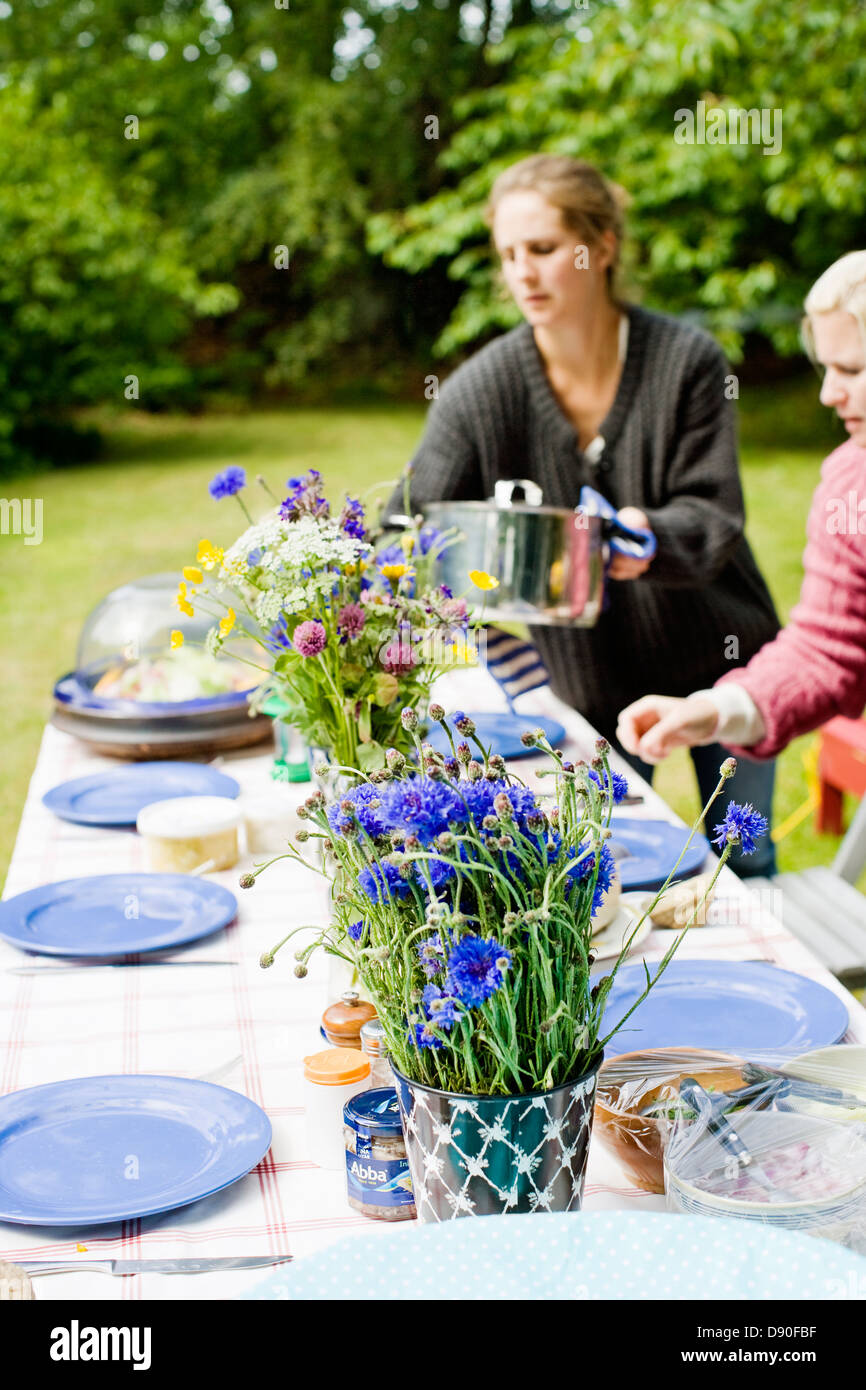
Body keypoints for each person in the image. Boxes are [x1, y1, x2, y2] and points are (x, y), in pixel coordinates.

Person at [387, 154, 780, 875]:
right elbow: (403, 525)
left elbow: (715, 517)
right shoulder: (482, 390)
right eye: (509, 254)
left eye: (541, 249)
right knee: (609, 878)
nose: (522, 274)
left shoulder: (686, 360)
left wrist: (647, 540)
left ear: (599, 248)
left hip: (720, 662)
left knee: (743, 867)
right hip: (591, 688)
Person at [616, 250, 866, 780]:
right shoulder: (851, 485)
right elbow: (828, 650)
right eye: (825, 368)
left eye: (852, 369)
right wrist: (714, 711)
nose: (828, 393)